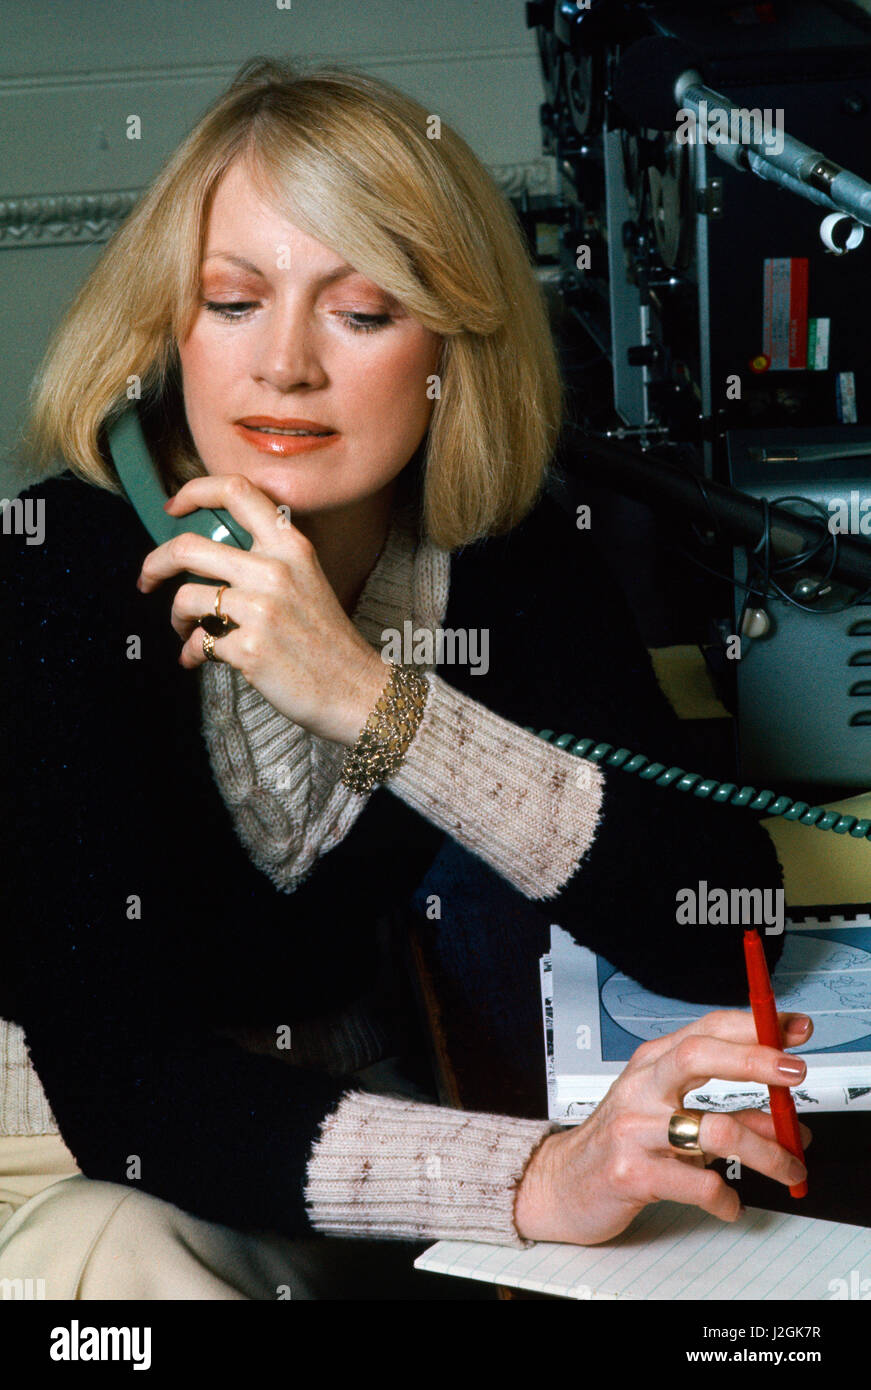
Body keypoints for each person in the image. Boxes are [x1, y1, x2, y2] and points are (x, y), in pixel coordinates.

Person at [0, 57, 808, 1300]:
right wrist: (542, 1176)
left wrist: (377, 706)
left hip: (339, 1130)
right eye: (230, 302)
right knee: (116, 1265)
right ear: (167, 324)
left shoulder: (509, 555)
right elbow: (130, 1094)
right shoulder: (53, 570)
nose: (283, 366)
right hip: (61, 1163)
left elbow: (721, 918)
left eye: (361, 312)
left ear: (452, 343)